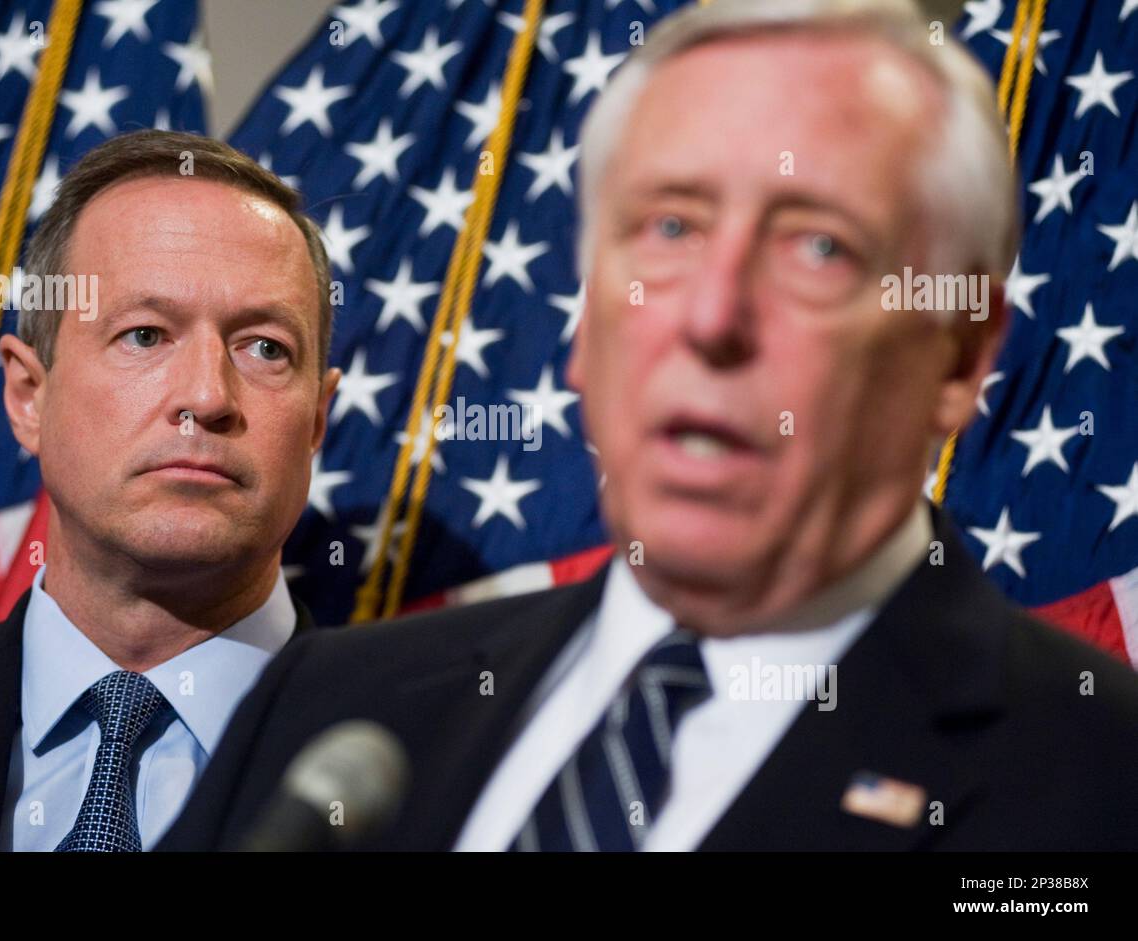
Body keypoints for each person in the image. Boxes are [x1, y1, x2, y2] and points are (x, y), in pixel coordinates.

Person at [161, 0, 1138, 852]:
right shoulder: (326, 717)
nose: (711, 314)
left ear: (958, 359)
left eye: (818, 244)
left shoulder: (1095, 776)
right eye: (669, 227)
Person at [0, 130, 341, 851]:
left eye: (265, 347)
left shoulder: (444, 765)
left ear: (317, 418)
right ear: (28, 395)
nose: (205, 394)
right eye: (144, 334)